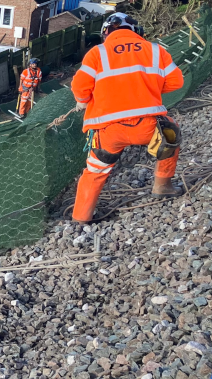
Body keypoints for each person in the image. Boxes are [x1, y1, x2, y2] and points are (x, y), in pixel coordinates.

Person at [70, 13, 185, 224]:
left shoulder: (98, 53)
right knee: (171, 136)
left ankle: (81, 216)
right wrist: (150, 88)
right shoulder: (155, 50)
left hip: (108, 130)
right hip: (148, 126)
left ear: (106, 32)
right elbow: (176, 82)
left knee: (95, 170)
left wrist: (82, 100)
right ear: (136, 31)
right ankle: (162, 186)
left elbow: (80, 88)